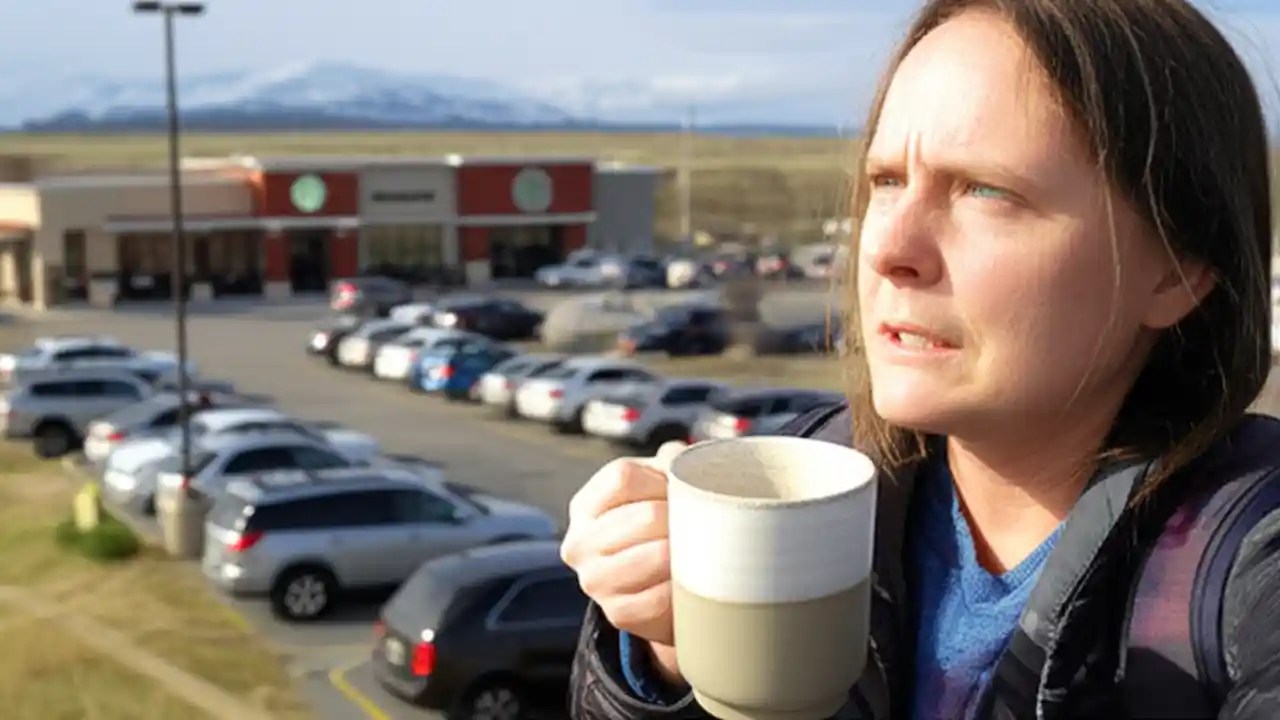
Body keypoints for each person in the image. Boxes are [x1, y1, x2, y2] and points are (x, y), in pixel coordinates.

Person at [559, 0, 1280, 718]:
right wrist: (675, 665)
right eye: (887, 182)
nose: (887, 249)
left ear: (1178, 272)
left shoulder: (1249, 568)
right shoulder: (805, 482)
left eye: (986, 190)